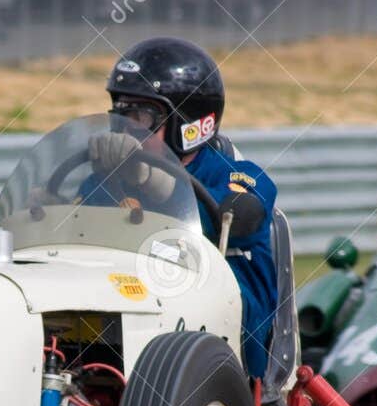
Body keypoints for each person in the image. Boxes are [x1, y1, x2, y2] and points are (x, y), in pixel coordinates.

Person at [86, 37, 279, 378]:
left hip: (222, 353)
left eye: (141, 115)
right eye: (121, 114)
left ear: (187, 122)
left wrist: (148, 177)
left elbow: (235, 213)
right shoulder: (107, 181)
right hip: (125, 315)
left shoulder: (237, 175)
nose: (126, 128)